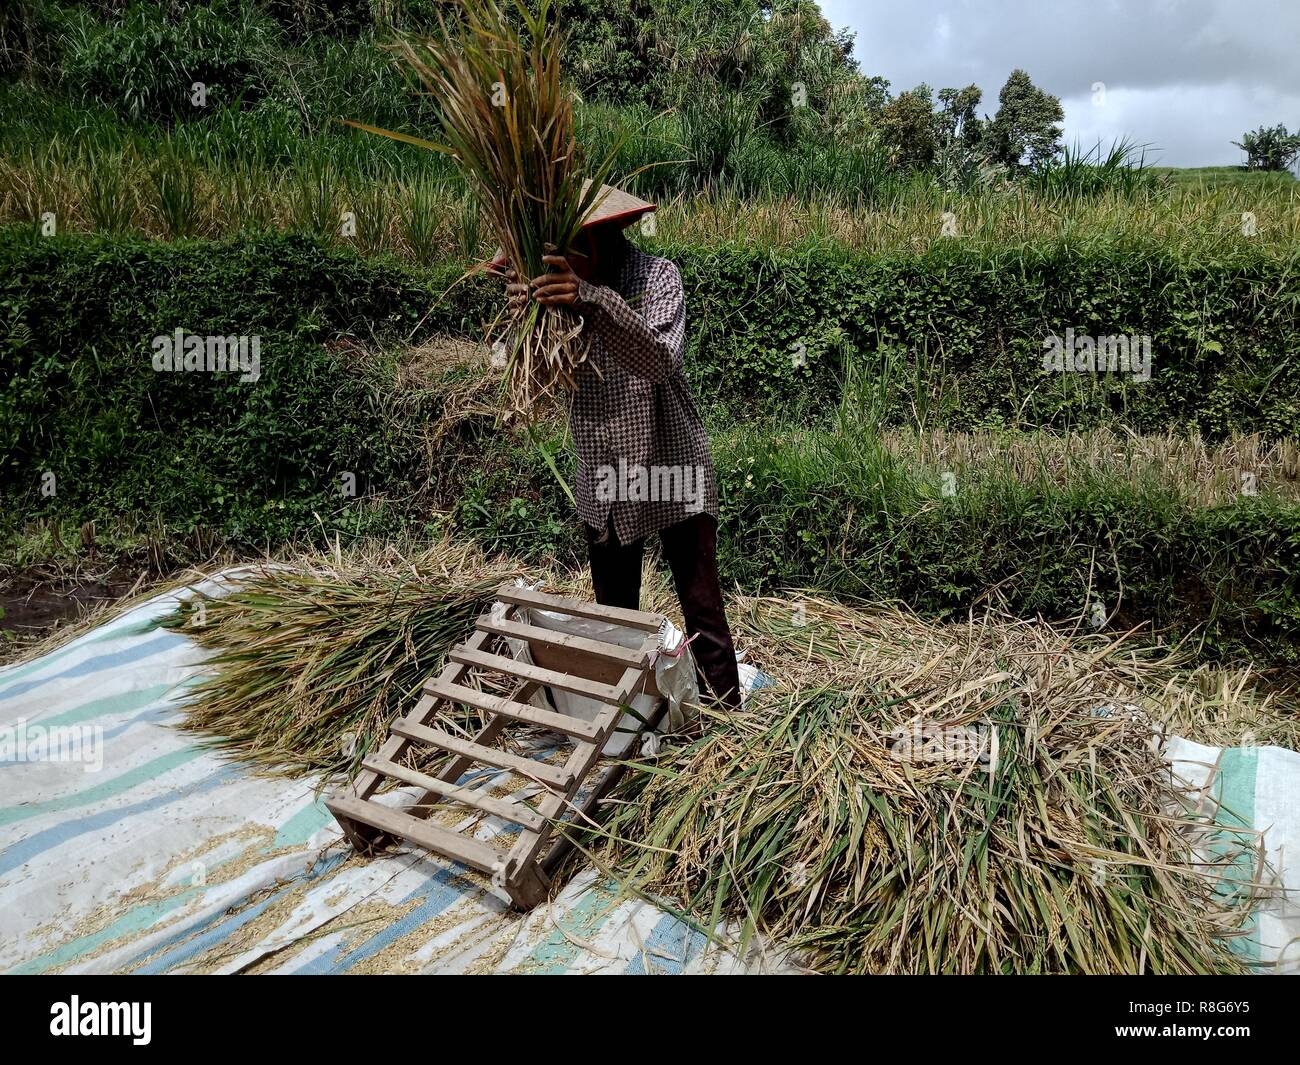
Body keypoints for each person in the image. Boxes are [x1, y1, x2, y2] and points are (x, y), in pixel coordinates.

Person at [500, 187, 741, 708]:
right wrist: (530, 317)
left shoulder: (657, 278)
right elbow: (539, 383)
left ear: (600, 236)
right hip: (605, 471)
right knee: (615, 614)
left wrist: (594, 300)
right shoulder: (556, 296)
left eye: (570, 248)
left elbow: (660, 361)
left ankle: (727, 723)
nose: (561, 262)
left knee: (700, 603)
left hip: (669, 462)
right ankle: (632, 723)